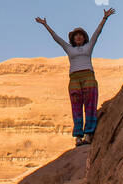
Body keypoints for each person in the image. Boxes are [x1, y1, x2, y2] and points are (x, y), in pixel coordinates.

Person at [36, 9, 115, 146]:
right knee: (76, 107)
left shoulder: (89, 46)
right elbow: (56, 38)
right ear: (72, 39)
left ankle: (89, 134)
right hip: (74, 79)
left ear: (84, 38)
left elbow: (97, 33)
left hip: (88, 76)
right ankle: (78, 136)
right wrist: (45, 24)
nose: (78, 37)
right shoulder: (68, 48)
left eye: (81, 35)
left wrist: (104, 18)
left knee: (90, 105)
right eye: (76, 36)